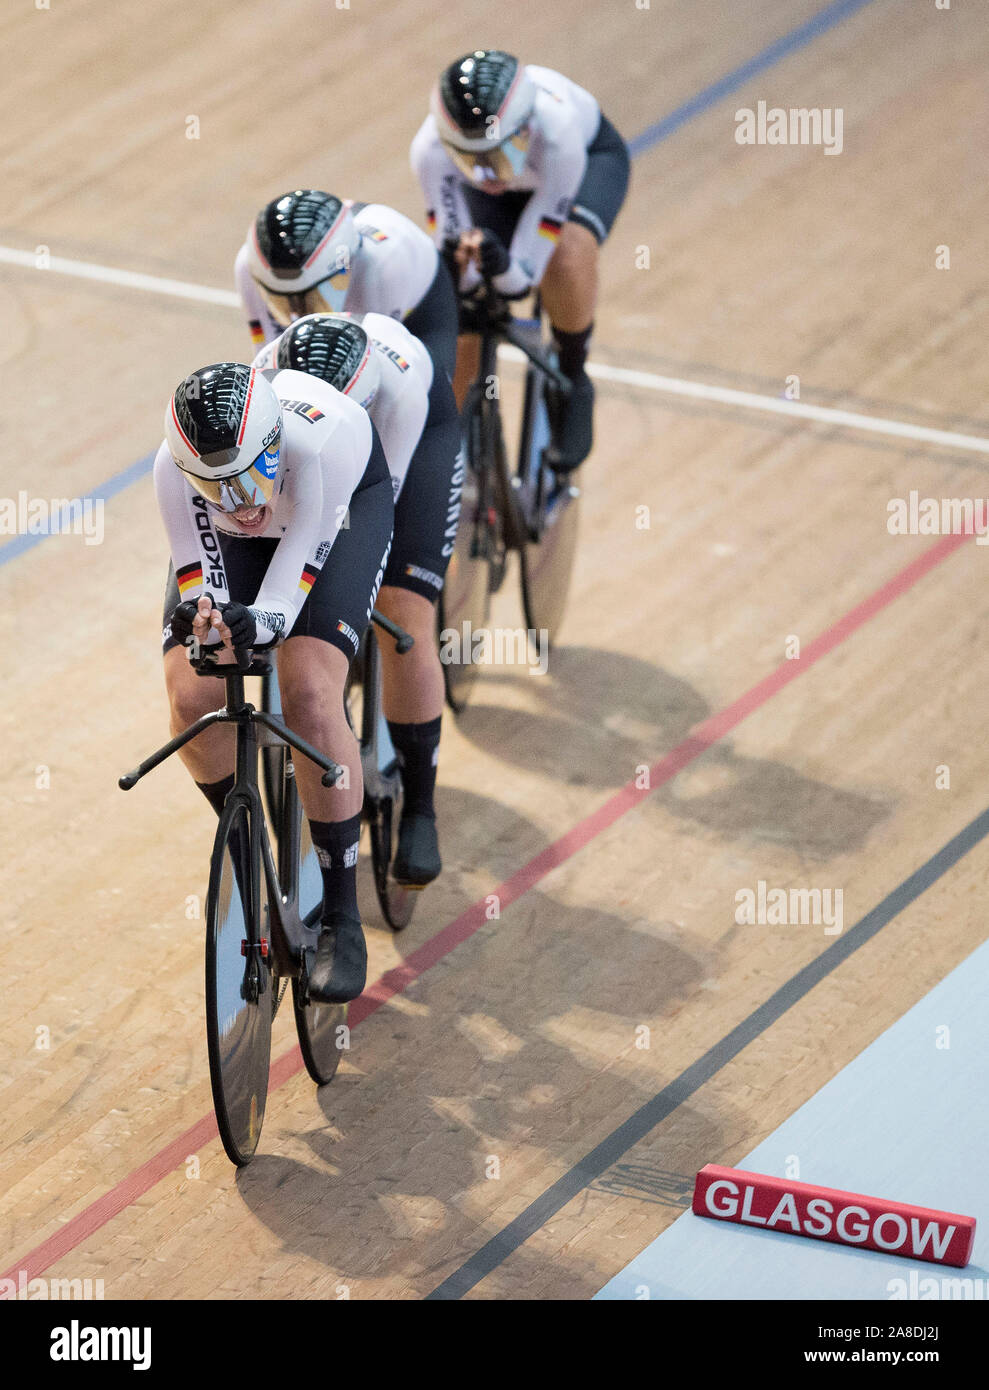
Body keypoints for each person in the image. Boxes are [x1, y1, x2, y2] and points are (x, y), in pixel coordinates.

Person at [235, 190, 463, 885]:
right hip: (314, 429)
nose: (293, 300)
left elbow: (377, 502)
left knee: (404, 610)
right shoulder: (266, 367)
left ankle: (420, 803)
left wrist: (344, 569)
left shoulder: (393, 379)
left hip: (405, 442)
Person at [154, 360, 394, 1003]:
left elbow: (280, 609)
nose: (240, 501)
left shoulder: (314, 452)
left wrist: (246, 621)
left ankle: (343, 914)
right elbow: (198, 581)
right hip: (237, 547)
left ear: (273, 443)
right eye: (215, 485)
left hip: (336, 519)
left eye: (248, 475)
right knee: (191, 693)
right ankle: (249, 851)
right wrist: (204, 622)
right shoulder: (172, 475)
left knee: (310, 690)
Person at [410, 49, 630, 467]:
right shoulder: (430, 151)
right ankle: (444, 441)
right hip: (517, 183)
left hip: (583, 167)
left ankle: (573, 378)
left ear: (525, 130)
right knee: (461, 302)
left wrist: (502, 266)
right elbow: (454, 255)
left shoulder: (559, 135)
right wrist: (466, 285)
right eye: (469, 160)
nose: (485, 175)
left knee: (564, 257)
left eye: (495, 157)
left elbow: (523, 278)